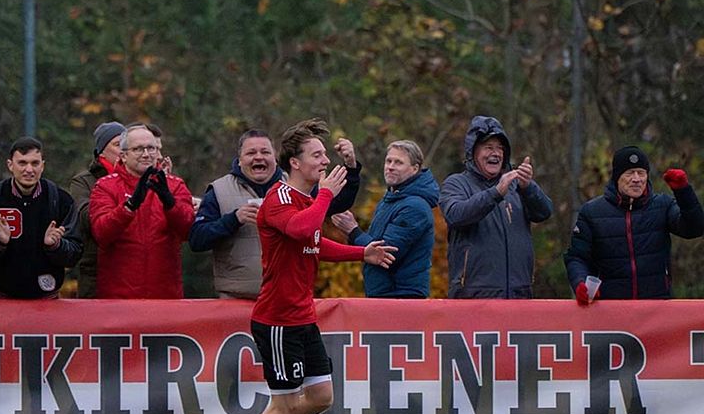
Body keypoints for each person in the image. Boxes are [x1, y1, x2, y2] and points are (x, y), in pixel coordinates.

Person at [220, 119, 396, 414]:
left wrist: (360, 253)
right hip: (278, 320)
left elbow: (314, 243)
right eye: (316, 155)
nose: (324, 161)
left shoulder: (306, 202)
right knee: (284, 406)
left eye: (324, 154)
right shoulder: (281, 198)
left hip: (302, 317)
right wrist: (326, 196)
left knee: (320, 398)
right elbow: (302, 230)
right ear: (295, 163)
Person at [189, 127, 363, 299]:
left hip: (287, 298)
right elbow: (197, 240)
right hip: (235, 296)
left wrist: (351, 168)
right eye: (251, 153)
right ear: (239, 160)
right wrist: (233, 220)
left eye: (265, 152)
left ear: (275, 157)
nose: (259, 157)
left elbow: (335, 206)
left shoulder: (299, 185)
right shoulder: (219, 189)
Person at [564, 145, 704, 303]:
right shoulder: (592, 212)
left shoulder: (663, 205)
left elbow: (695, 229)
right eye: (630, 173)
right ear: (617, 177)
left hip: (657, 307)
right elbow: (577, 257)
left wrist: (684, 192)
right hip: (610, 309)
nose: (636, 179)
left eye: (641, 173)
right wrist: (580, 283)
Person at [438, 115, 552, 298]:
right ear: (473, 152)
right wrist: (496, 193)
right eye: (488, 147)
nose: (496, 153)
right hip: (473, 296)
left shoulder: (516, 184)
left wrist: (528, 187)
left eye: (500, 148)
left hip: (519, 294)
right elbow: (455, 214)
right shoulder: (456, 183)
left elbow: (544, 212)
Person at [0, 136, 82, 299]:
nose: (29, 169)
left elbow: (74, 254)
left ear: (42, 166)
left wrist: (55, 245)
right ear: (10, 165)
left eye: (35, 163)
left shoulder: (61, 200)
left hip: (45, 302)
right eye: (22, 163)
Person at [89, 123, 195, 299]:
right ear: (123, 155)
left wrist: (170, 203)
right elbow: (102, 233)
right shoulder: (105, 186)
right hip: (119, 297)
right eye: (138, 149)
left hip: (165, 296)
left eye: (151, 148)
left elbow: (188, 231)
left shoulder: (175, 185)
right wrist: (129, 207)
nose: (146, 154)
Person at [331, 139, 439, 298]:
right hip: (383, 293)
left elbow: (386, 255)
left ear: (415, 169)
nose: (390, 167)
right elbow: (375, 241)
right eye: (388, 161)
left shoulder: (414, 207)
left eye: (398, 162)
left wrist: (353, 231)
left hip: (402, 297)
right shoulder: (391, 200)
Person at [69, 121, 125, 298]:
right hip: (96, 270)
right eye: (117, 145)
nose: (123, 150)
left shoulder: (141, 178)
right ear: (101, 151)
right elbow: (86, 217)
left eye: (126, 145)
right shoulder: (84, 182)